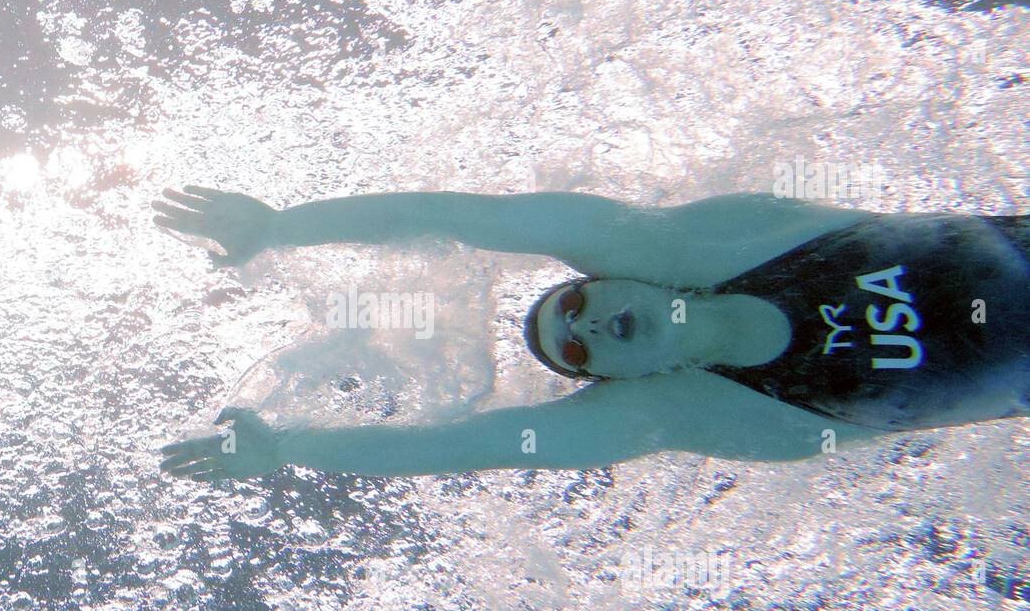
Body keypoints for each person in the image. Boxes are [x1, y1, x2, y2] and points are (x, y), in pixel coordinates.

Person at [152, 187, 1029, 480]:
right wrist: (296, 447)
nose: (589, 327)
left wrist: (282, 230)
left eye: (572, 304)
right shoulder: (687, 411)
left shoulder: (699, 245)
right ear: (620, 380)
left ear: (617, 273)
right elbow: (473, 446)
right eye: (577, 353)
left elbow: (456, 214)